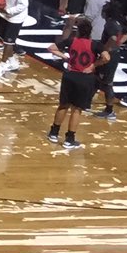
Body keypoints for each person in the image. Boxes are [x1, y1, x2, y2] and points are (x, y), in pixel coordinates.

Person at [50, 15, 95, 151]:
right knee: (77, 109)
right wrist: (93, 65)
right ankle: (69, 139)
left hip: (69, 76)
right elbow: (106, 57)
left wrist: (66, 58)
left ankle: (53, 133)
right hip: (84, 79)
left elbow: (51, 48)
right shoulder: (95, 44)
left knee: (63, 105)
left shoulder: (71, 41)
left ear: (78, 30)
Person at [91, 0, 127, 121]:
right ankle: (86, 101)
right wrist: (119, 43)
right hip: (114, 53)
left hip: (110, 56)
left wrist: (106, 50)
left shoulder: (110, 24)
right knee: (97, 78)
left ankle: (109, 110)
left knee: (107, 83)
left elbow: (113, 38)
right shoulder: (118, 22)